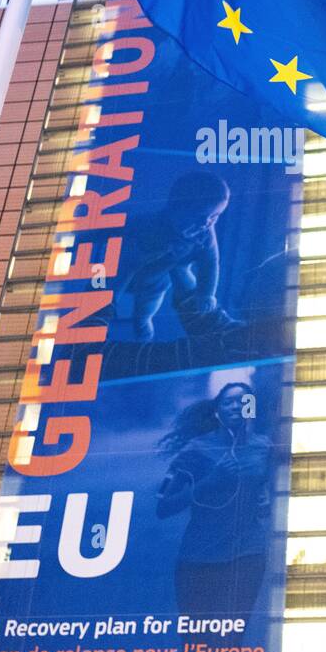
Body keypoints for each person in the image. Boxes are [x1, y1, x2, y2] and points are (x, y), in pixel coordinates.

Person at [156, 383, 272, 615]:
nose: (236, 406)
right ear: (217, 411)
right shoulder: (195, 450)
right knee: (196, 637)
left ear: (251, 409)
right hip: (200, 557)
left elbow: (262, 488)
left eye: (243, 401)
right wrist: (210, 481)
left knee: (233, 635)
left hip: (247, 555)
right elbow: (163, 507)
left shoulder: (263, 447)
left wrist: (263, 500)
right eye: (228, 402)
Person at [110, 171, 240, 341]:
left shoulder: (206, 233)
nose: (206, 223)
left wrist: (206, 293)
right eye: (200, 215)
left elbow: (210, 263)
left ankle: (142, 322)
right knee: (112, 292)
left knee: (147, 307)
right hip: (129, 269)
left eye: (215, 217)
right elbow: (122, 240)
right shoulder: (149, 224)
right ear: (173, 208)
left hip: (157, 281)